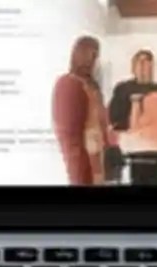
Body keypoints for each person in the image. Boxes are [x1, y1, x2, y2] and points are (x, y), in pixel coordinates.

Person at [108, 50, 157, 185]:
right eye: (140, 63)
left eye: (148, 64)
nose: (144, 67)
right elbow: (114, 117)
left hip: (156, 148)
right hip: (132, 147)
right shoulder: (123, 89)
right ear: (133, 67)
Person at [52, 36, 109, 186]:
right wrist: (78, 163)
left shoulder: (92, 86)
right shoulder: (68, 83)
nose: (97, 62)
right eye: (94, 55)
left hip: (97, 158)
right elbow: (69, 130)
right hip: (82, 158)